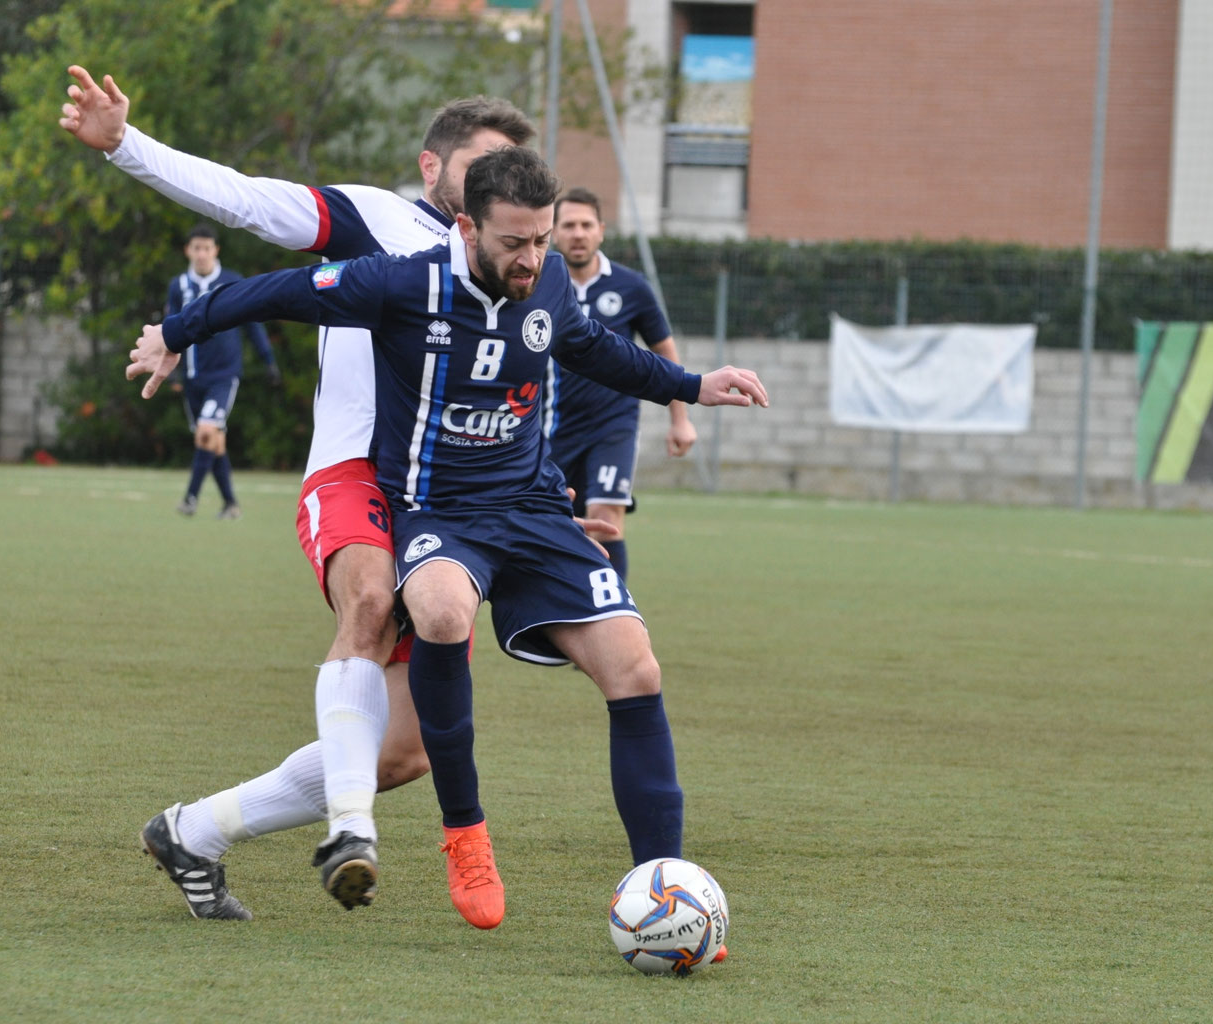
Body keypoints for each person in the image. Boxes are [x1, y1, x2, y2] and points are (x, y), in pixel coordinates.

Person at [125, 145, 769, 932]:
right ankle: (465, 834)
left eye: (541, 241)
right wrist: (178, 332)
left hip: (533, 509)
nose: (533, 259)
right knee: (436, 612)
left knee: (636, 667)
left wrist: (691, 386)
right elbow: (277, 290)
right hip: (440, 512)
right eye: (514, 244)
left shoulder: (551, 281)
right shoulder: (406, 281)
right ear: (467, 226)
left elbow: (596, 350)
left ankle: (665, 897)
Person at [59, 65, 535, 919]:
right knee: (367, 598)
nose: (501, 186)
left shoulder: (510, 269)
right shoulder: (375, 220)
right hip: (355, 470)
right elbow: (245, 199)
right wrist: (126, 146)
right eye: (484, 166)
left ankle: (193, 830)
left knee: (404, 752)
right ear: (432, 169)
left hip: (445, 505)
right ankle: (350, 832)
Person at [547, 188, 696, 586]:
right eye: (569, 225)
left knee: (606, 518)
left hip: (613, 424)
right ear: (554, 232)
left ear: (601, 231)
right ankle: (564, 613)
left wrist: (679, 419)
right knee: (555, 524)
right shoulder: (539, 282)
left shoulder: (631, 287)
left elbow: (665, 352)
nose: (578, 233)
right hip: (551, 428)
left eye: (586, 225)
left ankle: (613, 617)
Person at [165, 224, 280, 520]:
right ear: (187, 251)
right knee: (213, 440)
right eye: (196, 248)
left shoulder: (232, 282)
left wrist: (268, 360)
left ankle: (190, 498)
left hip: (224, 375)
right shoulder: (178, 286)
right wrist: (172, 371)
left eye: (207, 248)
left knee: (205, 432)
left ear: (216, 250)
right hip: (193, 376)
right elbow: (171, 327)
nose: (201, 254)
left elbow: (252, 324)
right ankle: (231, 505)